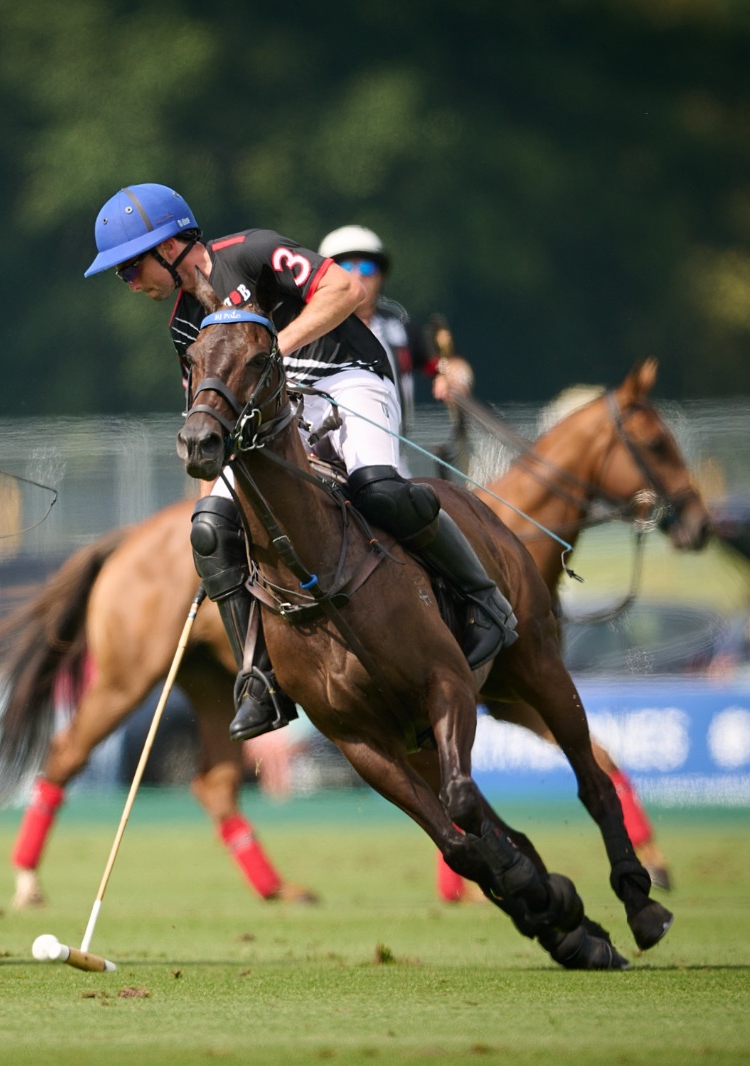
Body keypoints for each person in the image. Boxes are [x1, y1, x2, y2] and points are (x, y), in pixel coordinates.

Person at [84, 183, 517, 741]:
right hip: (272, 413)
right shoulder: (183, 324)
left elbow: (341, 287)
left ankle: (486, 600)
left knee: (378, 488)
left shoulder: (252, 252)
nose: (128, 281)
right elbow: (206, 412)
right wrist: (208, 510)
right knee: (211, 532)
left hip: (346, 376)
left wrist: (272, 352)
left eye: (129, 267)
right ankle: (260, 679)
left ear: (168, 247)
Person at [316, 225, 474, 426]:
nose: (357, 275)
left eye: (367, 268)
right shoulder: (309, 331)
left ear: (381, 276)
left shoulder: (399, 331)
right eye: (346, 267)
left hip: (393, 456)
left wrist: (454, 379)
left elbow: (452, 364)